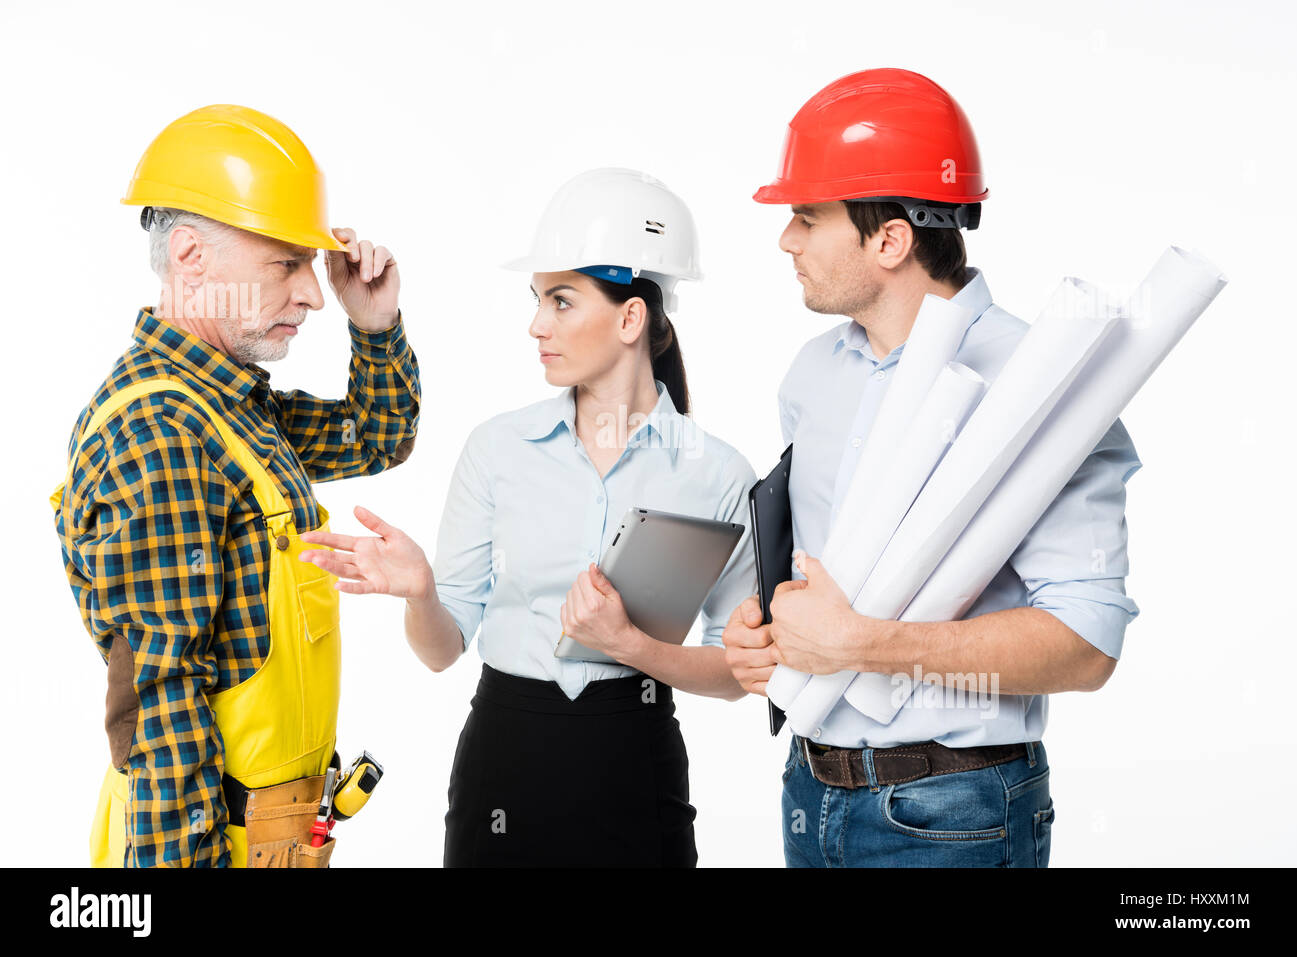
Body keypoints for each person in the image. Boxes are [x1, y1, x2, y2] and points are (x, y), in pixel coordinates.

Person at [721, 68, 1141, 867]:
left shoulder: (1042, 383)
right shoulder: (812, 375)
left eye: (807, 217)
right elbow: (827, 587)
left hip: (954, 813)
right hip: (808, 792)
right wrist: (767, 631)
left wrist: (863, 644)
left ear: (889, 239)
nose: (787, 239)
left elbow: (1087, 642)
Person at [299, 168, 757, 867]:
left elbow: (736, 670)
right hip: (506, 761)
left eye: (562, 301)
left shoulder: (716, 473)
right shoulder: (498, 449)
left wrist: (630, 645)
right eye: (538, 299)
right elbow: (441, 650)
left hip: (637, 766)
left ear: (630, 317)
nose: (537, 324)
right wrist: (424, 593)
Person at [48, 104, 420, 867]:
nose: (314, 294)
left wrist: (375, 326)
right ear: (191, 255)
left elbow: (377, 432)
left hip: (277, 843)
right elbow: (159, 705)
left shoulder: (231, 408)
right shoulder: (161, 433)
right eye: (287, 263)